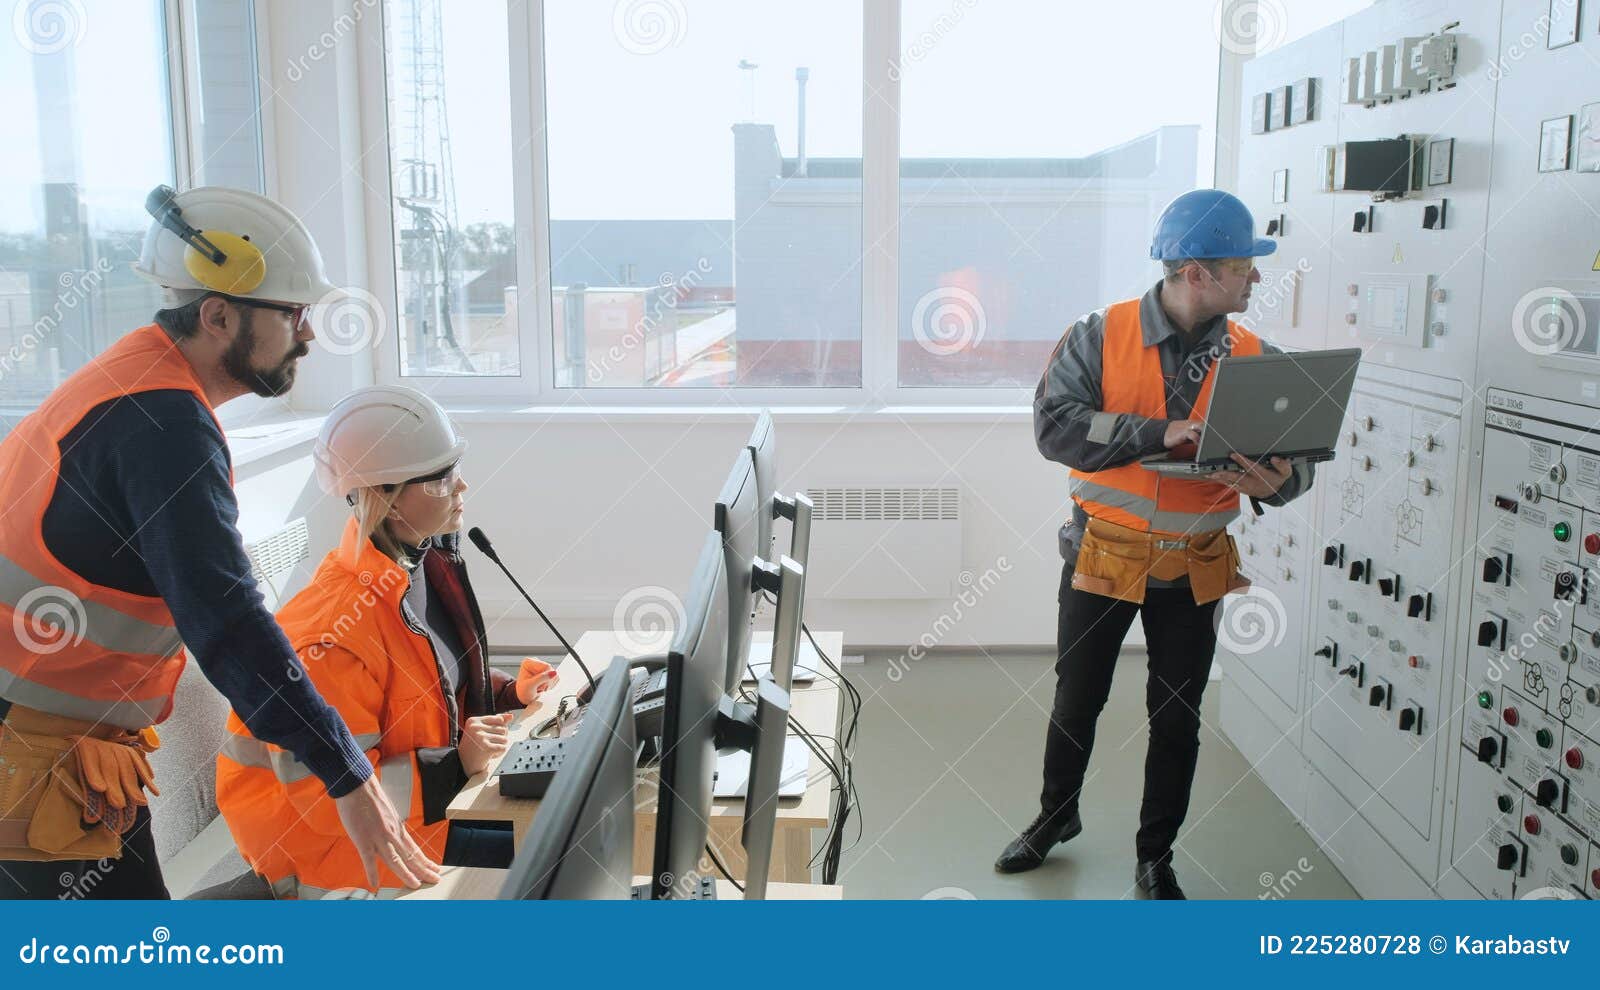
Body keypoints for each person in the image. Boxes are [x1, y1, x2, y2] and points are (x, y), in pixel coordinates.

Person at [0, 186, 438, 899]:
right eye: (294, 314)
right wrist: (347, 772)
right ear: (217, 314)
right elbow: (228, 623)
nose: (308, 334)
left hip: (66, 753)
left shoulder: (135, 382)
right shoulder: (161, 423)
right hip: (30, 760)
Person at [994, 189, 1317, 899]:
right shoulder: (1097, 334)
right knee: (1078, 700)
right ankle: (1057, 817)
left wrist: (1272, 479)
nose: (1256, 278)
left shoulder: (1259, 357)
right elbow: (1056, 428)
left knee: (1177, 716)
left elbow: (1298, 476)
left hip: (1193, 569)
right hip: (1102, 556)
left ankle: (1155, 854)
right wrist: (1155, 433)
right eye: (1244, 265)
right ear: (1197, 273)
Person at [216, 385, 558, 898]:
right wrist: (457, 764)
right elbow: (329, 797)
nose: (462, 486)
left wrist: (508, 694)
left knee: (565, 820)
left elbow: (427, 685)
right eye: (442, 477)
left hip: (423, 812)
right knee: (559, 846)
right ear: (387, 495)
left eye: (455, 468)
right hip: (338, 852)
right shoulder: (331, 639)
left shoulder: (416, 567)